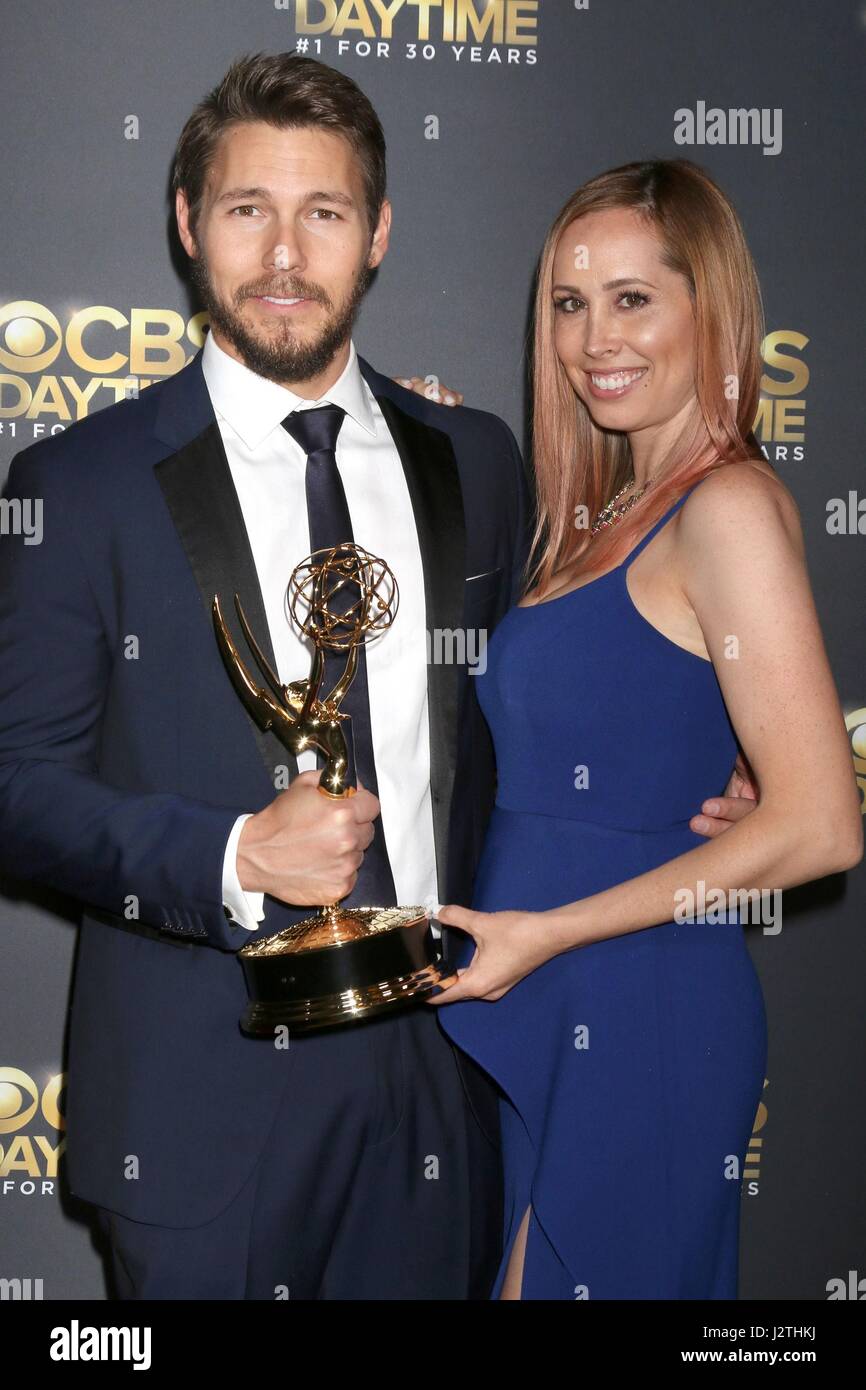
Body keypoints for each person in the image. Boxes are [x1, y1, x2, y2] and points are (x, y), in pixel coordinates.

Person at [0, 53, 755, 1300]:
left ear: (379, 234)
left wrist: (695, 755)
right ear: (190, 224)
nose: (285, 255)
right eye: (249, 210)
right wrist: (234, 855)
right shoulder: (76, 488)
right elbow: (19, 787)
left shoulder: (475, 457)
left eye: (325, 214)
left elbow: (547, 688)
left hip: (446, 1071)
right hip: (203, 1106)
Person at [431, 159, 863, 1300]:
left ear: (706, 310)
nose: (592, 338)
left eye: (633, 298)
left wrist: (550, 931)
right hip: (544, 993)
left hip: (638, 1005)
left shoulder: (723, 507)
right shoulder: (589, 519)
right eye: (569, 304)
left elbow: (821, 825)